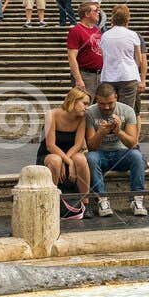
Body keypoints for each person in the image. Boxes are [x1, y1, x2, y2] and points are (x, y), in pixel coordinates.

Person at [85, 83, 147, 217]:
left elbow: (132, 143)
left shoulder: (127, 111)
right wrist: (101, 132)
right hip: (100, 154)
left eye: (110, 103)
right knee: (90, 158)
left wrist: (118, 131)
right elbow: (91, 147)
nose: (106, 107)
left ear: (116, 97)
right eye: (102, 104)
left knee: (137, 156)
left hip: (121, 153)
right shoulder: (90, 112)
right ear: (96, 99)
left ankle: (137, 199)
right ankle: (102, 200)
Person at [40, 89, 93, 220]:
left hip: (71, 152)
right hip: (49, 154)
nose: (87, 107)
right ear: (73, 101)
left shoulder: (82, 118)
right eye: (84, 103)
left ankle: (86, 203)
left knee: (80, 159)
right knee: (56, 160)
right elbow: (50, 145)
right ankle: (51, 203)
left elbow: (78, 145)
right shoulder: (52, 115)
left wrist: (68, 160)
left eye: (88, 104)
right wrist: (68, 162)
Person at [99, 4, 146, 111]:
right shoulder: (133, 35)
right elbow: (139, 59)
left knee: (109, 109)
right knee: (126, 110)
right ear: (127, 18)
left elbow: (103, 56)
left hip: (109, 76)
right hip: (128, 75)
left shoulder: (105, 35)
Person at [66, 1, 105, 98]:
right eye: (95, 11)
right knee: (84, 106)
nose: (98, 13)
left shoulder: (97, 29)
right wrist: (78, 79)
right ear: (87, 14)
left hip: (100, 74)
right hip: (85, 75)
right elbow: (71, 57)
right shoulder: (76, 31)